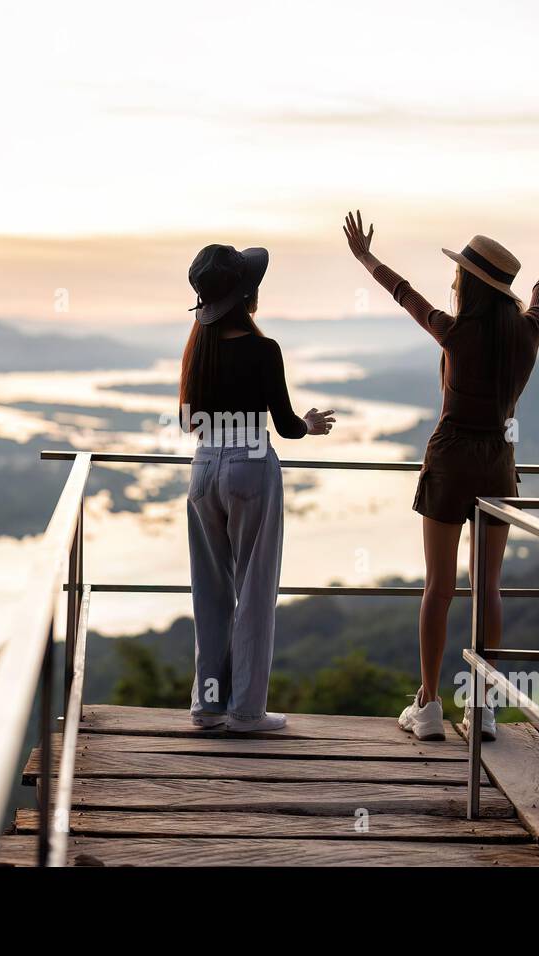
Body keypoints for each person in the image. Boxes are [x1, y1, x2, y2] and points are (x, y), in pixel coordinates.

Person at [342, 201, 539, 740]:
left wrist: (366, 257)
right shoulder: (527, 333)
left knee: (438, 587)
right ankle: (482, 708)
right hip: (498, 461)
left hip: (451, 458)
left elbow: (404, 293)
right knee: (489, 589)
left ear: (467, 285)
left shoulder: (455, 332)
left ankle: (428, 705)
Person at [180, 244, 336, 732]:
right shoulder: (264, 350)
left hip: (203, 467)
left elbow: (189, 422)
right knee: (255, 587)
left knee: (210, 590)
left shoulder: (197, 351)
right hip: (249, 466)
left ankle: (208, 705)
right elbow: (286, 426)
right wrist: (308, 425)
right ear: (247, 295)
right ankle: (247, 711)